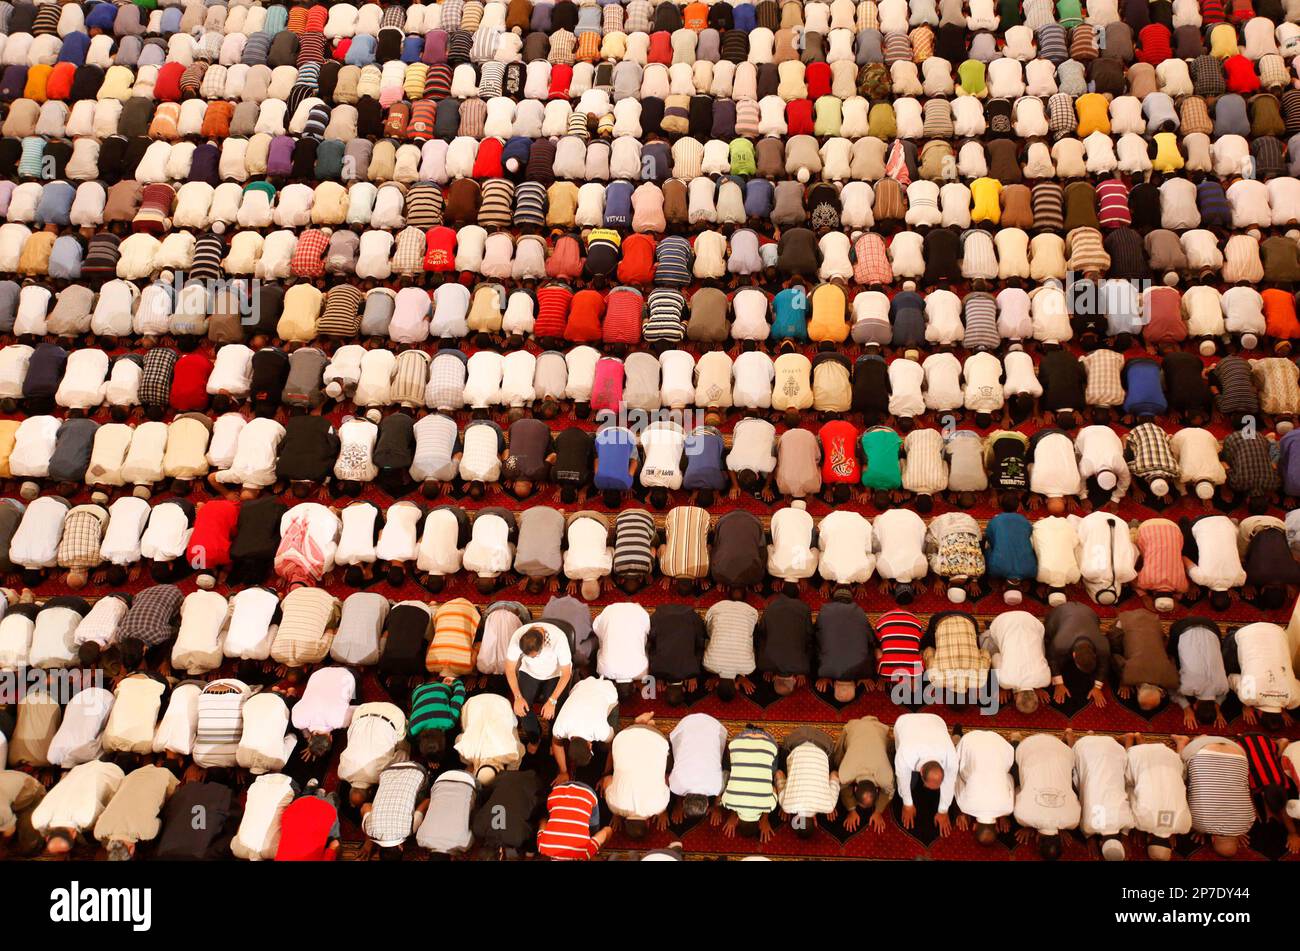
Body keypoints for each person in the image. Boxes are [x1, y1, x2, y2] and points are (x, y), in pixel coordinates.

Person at [1175, 734, 1257, 858]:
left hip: (1237, 750)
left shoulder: (1248, 824)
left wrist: (1237, 831)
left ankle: (1202, 739)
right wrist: (1200, 829)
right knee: (1178, 770)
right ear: (1213, 840)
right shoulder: (1198, 823)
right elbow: (1189, 798)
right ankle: (1182, 742)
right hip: (1200, 750)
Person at [1123, 733, 1193, 861]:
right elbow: (1131, 794)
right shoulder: (1141, 823)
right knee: (1129, 782)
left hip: (1170, 756)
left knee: (1180, 778)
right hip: (1140, 757)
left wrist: (1171, 831)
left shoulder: (1184, 826)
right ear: (1149, 838)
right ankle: (1131, 742)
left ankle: (1141, 741)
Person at [1012, 733, 1081, 860]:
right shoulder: (1022, 817)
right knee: (1016, 777)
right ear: (1037, 840)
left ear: (1060, 839)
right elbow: (1017, 790)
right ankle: (1015, 739)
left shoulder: (1073, 821)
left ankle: (1067, 740)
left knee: (1068, 775)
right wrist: (1029, 825)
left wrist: (1062, 826)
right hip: (1028, 745)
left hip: (1063, 751)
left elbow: (1074, 798)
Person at [504, 621, 573, 747]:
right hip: (529, 672)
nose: (532, 658)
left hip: (555, 674)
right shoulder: (518, 636)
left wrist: (552, 701)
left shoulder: (559, 638)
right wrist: (518, 697)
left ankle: (555, 741)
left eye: (534, 656)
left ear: (542, 645)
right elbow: (509, 668)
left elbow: (567, 673)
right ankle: (535, 738)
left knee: (556, 710)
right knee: (522, 710)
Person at [604, 713, 672, 838]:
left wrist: (662, 812)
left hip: (657, 739)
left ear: (647, 823)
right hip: (624, 737)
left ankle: (647, 726)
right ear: (626, 821)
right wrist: (615, 813)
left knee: (661, 765)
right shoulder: (614, 805)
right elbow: (607, 780)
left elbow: (667, 780)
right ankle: (639, 725)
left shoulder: (659, 806)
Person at [1224, 621, 1300, 728]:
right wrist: (1246, 705)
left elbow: (1295, 682)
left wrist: (1283, 707)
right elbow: (1231, 678)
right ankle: (1232, 632)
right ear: (1259, 715)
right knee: (1227, 668)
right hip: (1247, 633)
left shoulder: (1294, 699)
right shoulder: (1248, 697)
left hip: (1278, 633)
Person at [892, 712, 957, 836]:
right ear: (921, 771)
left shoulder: (951, 759)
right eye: (929, 786)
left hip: (936, 720)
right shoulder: (905, 755)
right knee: (910, 784)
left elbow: (950, 784)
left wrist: (943, 811)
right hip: (904, 722)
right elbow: (902, 781)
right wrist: (908, 805)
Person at [1073, 733, 1134, 861]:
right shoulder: (1092, 825)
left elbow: (1125, 827)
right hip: (1083, 746)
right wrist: (1089, 838)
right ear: (1100, 843)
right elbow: (1091, 823)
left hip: (1113, 746)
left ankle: (1092, 736)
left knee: (1123, 778)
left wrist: (1125, 836)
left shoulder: (1127, 821)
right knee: (1080, 784)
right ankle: (1087, 736)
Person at [1108, 608, 1181, 711]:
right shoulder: (1129, 675)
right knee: (1113, 644)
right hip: (1126, 621)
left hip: (1154, 621)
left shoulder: (1170, 678)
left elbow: (1171, 658)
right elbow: (1115, 657)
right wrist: (1124, 681)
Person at [717, 724, 780, 842]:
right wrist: (732, 815)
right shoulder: (728, 803)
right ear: (737, 821)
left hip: (768, 741)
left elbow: (773, 788)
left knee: (773, 772)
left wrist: (765, 819)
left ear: (759, 822)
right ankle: (750, 731)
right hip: (738, 739)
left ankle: (758, 733)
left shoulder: (769, 806)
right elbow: (726, 798)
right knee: (733, 769)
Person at [1044, 601, 1110, 709]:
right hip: (1059, 612)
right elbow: (1052, 659)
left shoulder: (1103, 646)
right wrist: (1059, 683)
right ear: (1073, 655)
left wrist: (1097, 687)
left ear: (1095, 654)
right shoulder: (1059, 644)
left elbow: (1104, 664)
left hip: (1089, 612)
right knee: (1047, 639)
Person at [954, 730, 1016, 845]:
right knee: (957, 768)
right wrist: (962, 813)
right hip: (969, 740)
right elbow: (957, 779)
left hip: (999, 742)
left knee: (1004, 770)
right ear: (974, 827)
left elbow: (1009, 778)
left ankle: (1015, 741)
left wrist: (1003, 815)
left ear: (997, 828)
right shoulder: (965, 806)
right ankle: (957, 742)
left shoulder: (1008, 808)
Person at [777, 727, 840, 836]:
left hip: (824, 742)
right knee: (783, 762)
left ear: (815, 822)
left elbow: (834, 774)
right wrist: (783, 799)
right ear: (795, 820)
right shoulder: (787, 806)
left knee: (833, 764)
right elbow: (778, 773)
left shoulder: (829, 806)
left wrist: (831, 799)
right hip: (795, 738)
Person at [668, 712, 728, 825]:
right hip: (685, 724)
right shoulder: (676, 786)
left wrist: (717, 807)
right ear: (684, 800)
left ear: (707, 803)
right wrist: (678, 805)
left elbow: (726, 773)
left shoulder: (716, 787)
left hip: (715, 726)